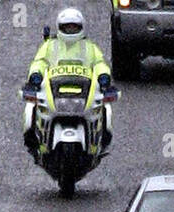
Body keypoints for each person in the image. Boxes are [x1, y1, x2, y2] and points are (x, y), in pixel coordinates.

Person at [23, 8, 114, 154]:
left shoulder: (89, 47)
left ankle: (100, 141)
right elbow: (39, 62)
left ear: (81, 27)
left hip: (83, 89)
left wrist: (104, 77)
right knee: (31, 105)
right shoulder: (50, 46)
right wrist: (35, 75)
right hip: (54, 88)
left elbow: (99, 63)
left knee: (106, 107)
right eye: (67, 27)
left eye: (74, 27)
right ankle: (34, 140)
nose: (70, 30)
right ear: (60, 27)